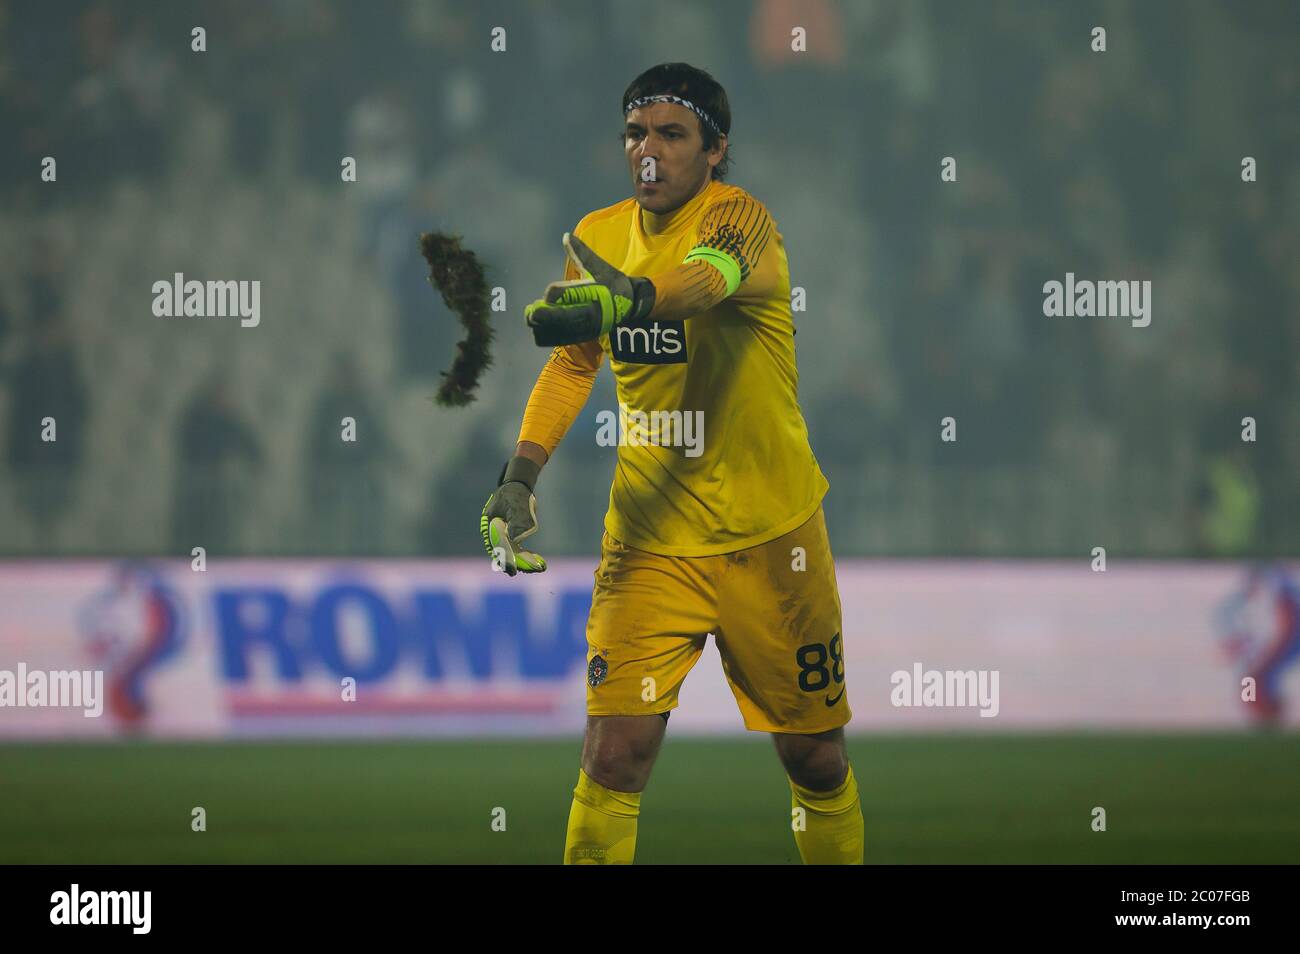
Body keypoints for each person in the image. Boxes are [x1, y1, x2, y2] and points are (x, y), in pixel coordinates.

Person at [481, 63, 862, 864]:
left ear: (716, 149)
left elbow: (702, 284)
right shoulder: (598, 235)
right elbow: (573, 361)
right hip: (650, 541)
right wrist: (521, 472)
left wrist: (627, 301)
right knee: (612, 756)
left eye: (671, 134)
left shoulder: (743, 221)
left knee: (816, 760)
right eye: (635, 133)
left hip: (774, 538)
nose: (647, 152)